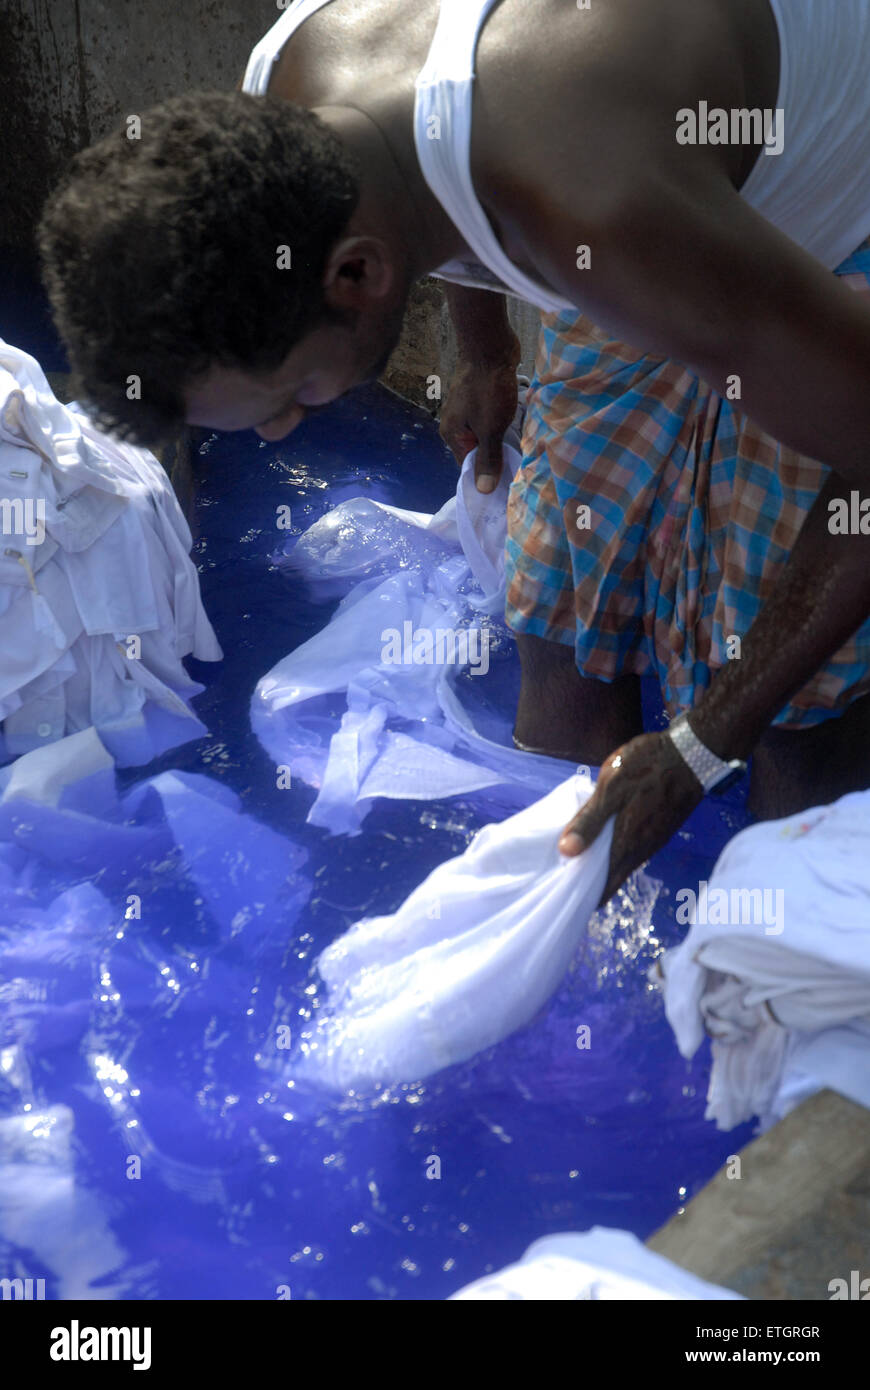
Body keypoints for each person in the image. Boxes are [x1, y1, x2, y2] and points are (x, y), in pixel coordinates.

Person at [38, 0, 870, 903]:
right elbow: (430, 172)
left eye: (292, 395)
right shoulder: (289, 101)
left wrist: (701, 747)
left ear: (358, 276)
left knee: (796, 724)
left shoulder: (602, 208)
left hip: (830, 201)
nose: (282, 431)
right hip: (654, 194)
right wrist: (484, 349)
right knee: (558, 615)